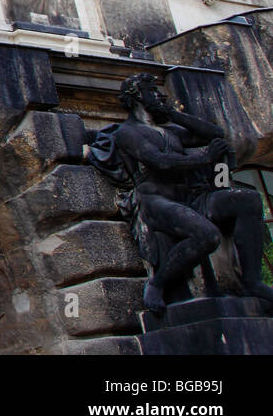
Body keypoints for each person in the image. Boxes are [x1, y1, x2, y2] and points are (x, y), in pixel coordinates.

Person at [87, 73, 273, 313]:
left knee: (248, 200)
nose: (158, 95)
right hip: (156, 199)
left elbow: (214, 133)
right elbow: (160, 161)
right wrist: (204, 157)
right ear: (135, 97)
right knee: (207, 235)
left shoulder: (170, 130)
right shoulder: (128, 133)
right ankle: (158, 283)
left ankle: (252, 281)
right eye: (151, 91)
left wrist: (172, 114)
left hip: (191, 198)